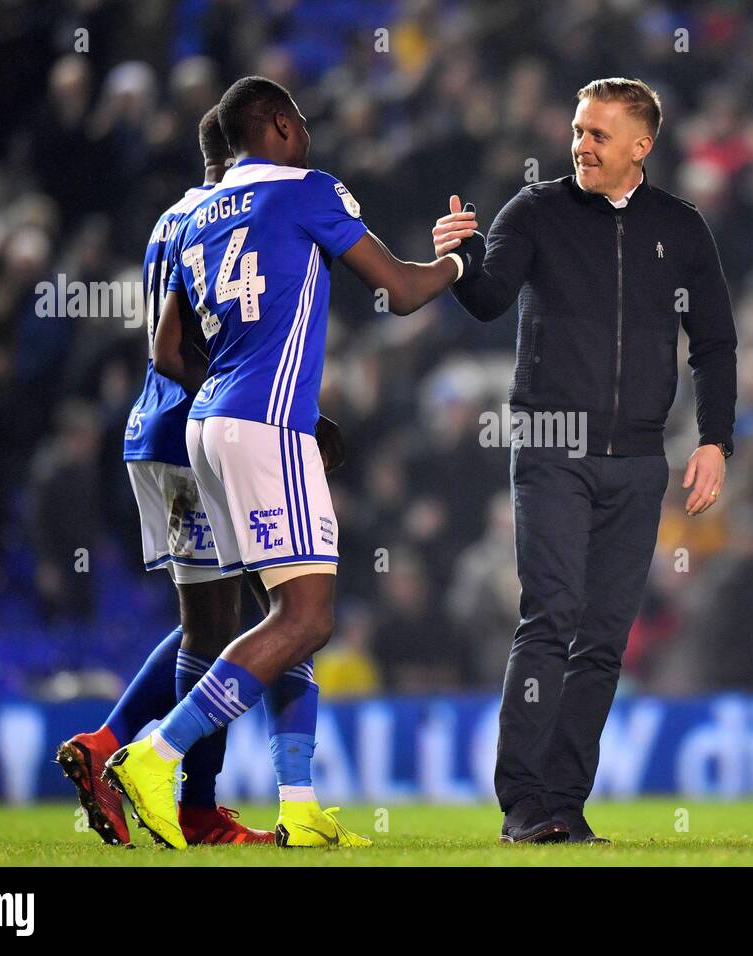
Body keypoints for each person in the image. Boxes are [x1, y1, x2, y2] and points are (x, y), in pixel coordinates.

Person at [104, 75, 471, 850]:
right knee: (307, 616)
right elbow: (401, 290)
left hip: (204, 423)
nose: (307, 133)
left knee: (283, 614)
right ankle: (152, 754)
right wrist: (460, 264)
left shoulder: (193, 211)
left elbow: (168, 347)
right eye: (299, 120)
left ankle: (298, 806)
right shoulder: (308, 189)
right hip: (262, 425)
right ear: (275, 124)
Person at [432, 78, 737, 843]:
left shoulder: (682, 226)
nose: (581, 144)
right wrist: (462, 256)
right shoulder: (535, 210)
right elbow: (490, 297)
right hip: (551, 445)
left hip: (638, 459)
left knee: (604, 638)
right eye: (578, 129)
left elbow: (715, 343)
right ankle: (522, 804)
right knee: (551, 619)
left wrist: (714, 439)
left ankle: (565, 807)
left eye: (600, 133)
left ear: (642, 146)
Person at [56, 105, 273, 847]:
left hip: (155, 430)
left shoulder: (166, 218)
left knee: (208, 626)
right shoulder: (219, 216)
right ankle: (197, 806)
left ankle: (106, 743)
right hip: (195, 429)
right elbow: (173, 344)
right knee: (217, 635)